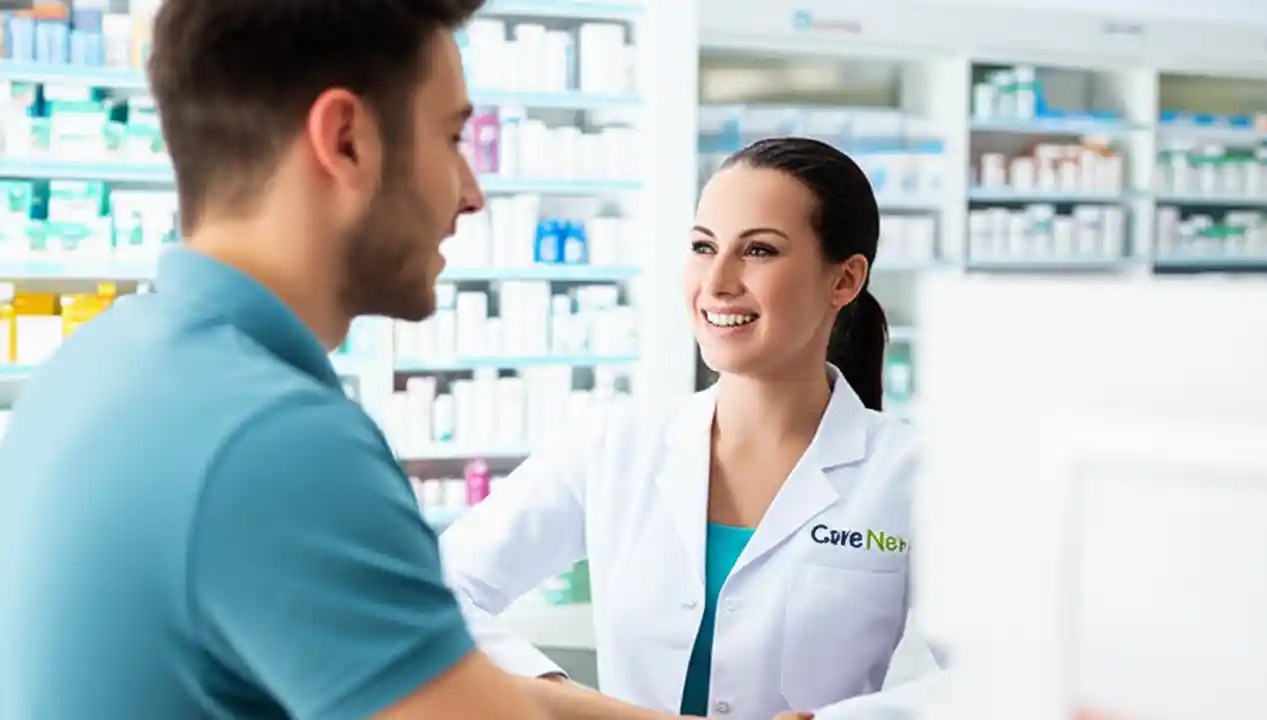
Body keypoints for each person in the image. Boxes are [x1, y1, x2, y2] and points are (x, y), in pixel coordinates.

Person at [0, 2, 551, 718]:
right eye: (451, 138)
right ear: (346, 140)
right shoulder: (273, 439)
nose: (470, 194)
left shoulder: (97, 363)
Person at [440, 137, 943, 720]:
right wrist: (557, 694)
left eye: (758, 250)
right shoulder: (615, 445)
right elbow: (435, 586)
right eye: (704, 247)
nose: (718, 281)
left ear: (845, 280)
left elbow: (994, 675)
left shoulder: (913, 473)